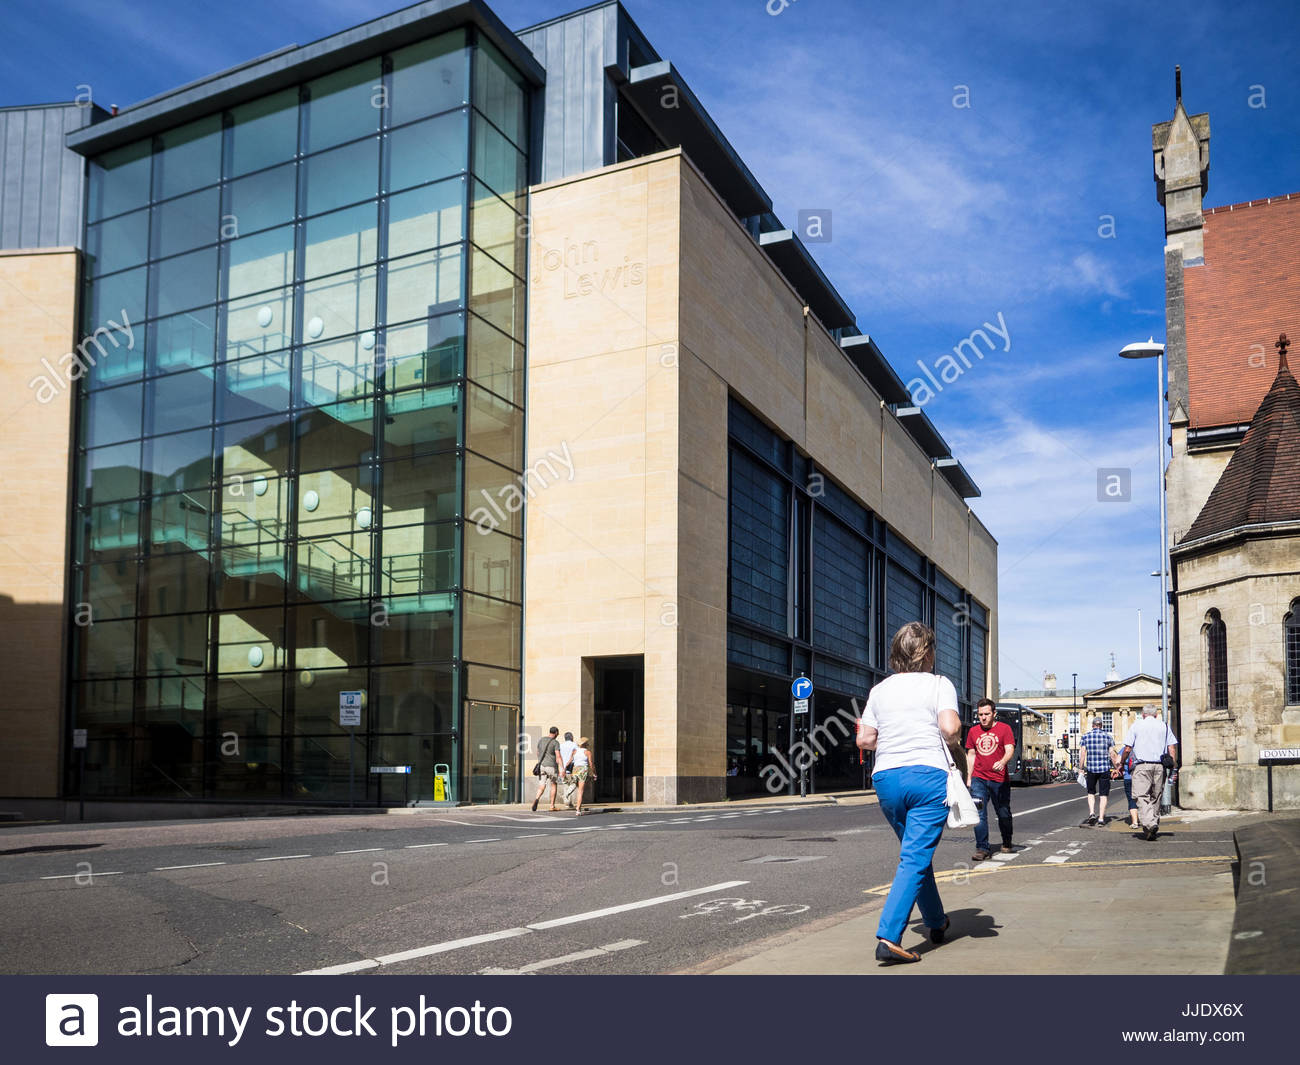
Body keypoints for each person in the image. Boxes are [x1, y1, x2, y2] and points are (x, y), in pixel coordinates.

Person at [856, 622, 968, 965]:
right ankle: (889, 937)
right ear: (928, 653)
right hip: (927, 777)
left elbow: (864, 740)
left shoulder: (879, 690)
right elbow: (950, 729)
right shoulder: (939, 684)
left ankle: (936, 922)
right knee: (914, 858)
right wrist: (960, 754)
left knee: (916, 855)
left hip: (887, 778)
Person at [964, 697, 1015, 860]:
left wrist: (1003, 762)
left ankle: (1007, 841)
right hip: (979, 778)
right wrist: (969, 777)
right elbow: (971, 755)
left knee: (1003, 812)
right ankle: (982, 848)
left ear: (994, 714)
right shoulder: (973, 732)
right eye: (980, 715)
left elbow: (1009, 749)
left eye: (986, 714)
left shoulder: (1004, 729)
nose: (983, 717)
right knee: (979, 813)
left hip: (999, 779)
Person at [1120, 705, 1178, 840]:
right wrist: (1173, 765)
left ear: (1143, 714)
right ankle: (1150, 829)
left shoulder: (1136, 725)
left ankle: (1150, 824)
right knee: (1156, 797)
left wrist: (1122, 763)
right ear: (1156, 715)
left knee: (1141, 796)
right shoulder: (1164, 726)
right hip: (1160, 767)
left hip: (1142, 766)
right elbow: (1172, 748)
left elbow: (1128, 749)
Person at [1078, 716, 1117, 826]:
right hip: (1104, 769)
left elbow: (1082, 755)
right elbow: (1112, 755)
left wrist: (1081, 769)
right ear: (1102, 725)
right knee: (1103, 794)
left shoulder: (1086, 737)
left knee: (1091, 792)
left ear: (1093, 725)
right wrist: (1117, 768)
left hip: (1091, 769)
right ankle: (1101, 818)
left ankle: (1091, 813)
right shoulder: (1108, 737)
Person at [531, 726, 562, 812]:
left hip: (542, 766)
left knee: (541, 785)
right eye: (558, 733)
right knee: (553, 784)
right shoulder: (555, 742)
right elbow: (558, 756)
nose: (558, 734)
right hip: (551, 766)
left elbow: (537, 752)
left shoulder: (541, 740)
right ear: (556, 733)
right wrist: (561, 767)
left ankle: (537, 798)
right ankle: (552, 806)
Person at [570, 737, 596, 814]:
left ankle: (578, 806)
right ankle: (578, 809)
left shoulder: (574, 751)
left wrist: (564, 770)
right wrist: (594, 773)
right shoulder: (587, 752)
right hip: (583, 770)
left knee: (577, 789)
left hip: (575, 769)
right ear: (586, 744)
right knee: (580, 791)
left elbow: (570, 761)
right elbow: (591, 764)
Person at [558, 731, 579, 809]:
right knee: (573, 783)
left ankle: (567, 803)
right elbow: (576, 756)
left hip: (562, 768)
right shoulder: (575, 745)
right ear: (572, 737)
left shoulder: (561, 745)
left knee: (566, 785)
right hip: (571, 768)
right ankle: (567, 797)